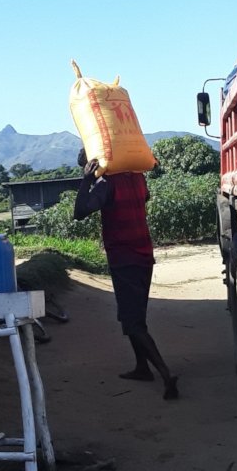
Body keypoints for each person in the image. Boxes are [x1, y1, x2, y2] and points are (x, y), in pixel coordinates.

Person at [73, 149, 178, 400]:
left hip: (124, 259)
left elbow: (80, 212)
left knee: (133, 322)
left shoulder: (106, 184)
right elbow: (146, 197)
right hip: (144, 255)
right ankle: (142, 368)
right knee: (133, 316)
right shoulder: (137, 178)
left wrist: (87, 181)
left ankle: (165, 374)